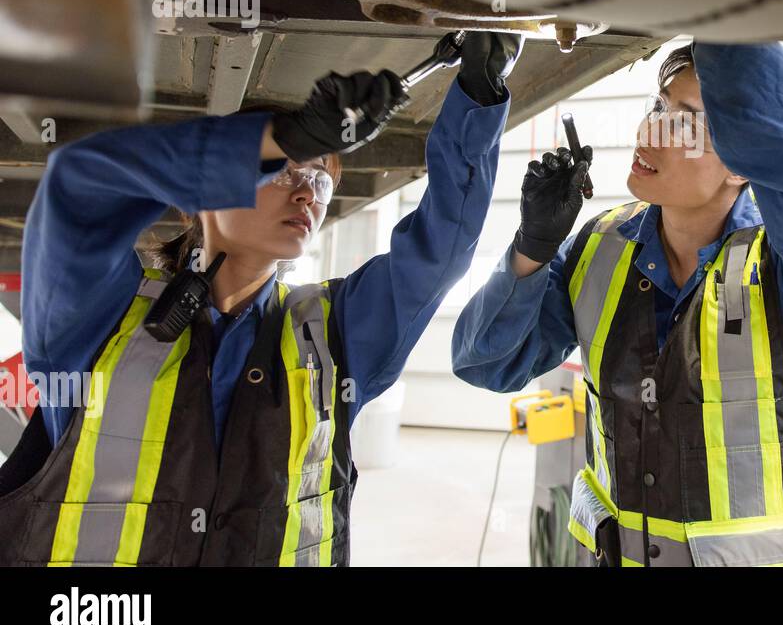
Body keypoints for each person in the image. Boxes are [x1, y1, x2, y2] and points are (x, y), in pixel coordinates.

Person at [0, 31, 520, 567]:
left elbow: (440, 249)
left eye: (320, 180)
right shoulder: (99, 316)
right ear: (202, 192)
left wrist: (478, 98)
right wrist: (275, 138)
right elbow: (79, 183)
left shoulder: (335, 331)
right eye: (285, 171)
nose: (306, 193)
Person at [453, 41, 783, 566]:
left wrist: (713, 9)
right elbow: (484, 363)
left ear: (743, 163)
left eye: (686, 124)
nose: (649, 132)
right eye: (658, 108)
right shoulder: (598, 247)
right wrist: (532, 251)